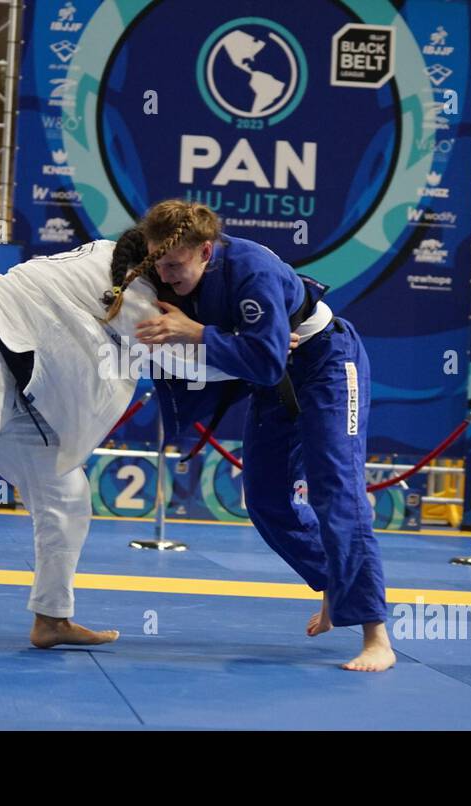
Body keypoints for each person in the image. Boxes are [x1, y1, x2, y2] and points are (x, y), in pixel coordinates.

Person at [0, 232, 224, 664]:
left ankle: (51, 619)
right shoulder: (134, 296)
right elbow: (181, 360)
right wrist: (259, 355)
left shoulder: (114, 253)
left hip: (17, 385)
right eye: (173, 268)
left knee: (67, 497)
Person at [127, 199, 394, 672]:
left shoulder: (251, 269)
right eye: (158, 264)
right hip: (275, 380)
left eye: (174, 266)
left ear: (206, 251)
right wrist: (241, 342)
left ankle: (376, 635)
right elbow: (260, 357)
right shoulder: (170, 275)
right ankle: (334, 583)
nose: (165, 276)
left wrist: (200, 333)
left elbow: (266, 360)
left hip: (328, 362)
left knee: (337, 492)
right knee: (266, 500)